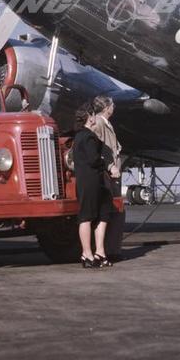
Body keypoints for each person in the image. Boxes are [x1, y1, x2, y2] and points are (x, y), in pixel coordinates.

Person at [71, 103, 114, 268]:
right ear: (90, 117)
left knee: (103, 214)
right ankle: (87, 253)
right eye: (94, 114)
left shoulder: (81, 136)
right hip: (90, 182)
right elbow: (93, 159)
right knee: (86, 217)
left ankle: (99, 252)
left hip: (94, 182)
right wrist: (107, 164)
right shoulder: (86, 136)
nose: (96, 117)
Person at [90, 95, 125, 261]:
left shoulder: (105, 122)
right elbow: (98, 147)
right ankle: (109, 250)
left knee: (116, 211)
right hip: (108, 173)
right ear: (106, 107)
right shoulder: (98, 123)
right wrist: (111, 166)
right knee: (111, 210)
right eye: (112, 104)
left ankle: (113, 248)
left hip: (113, 171)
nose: (114, 106)